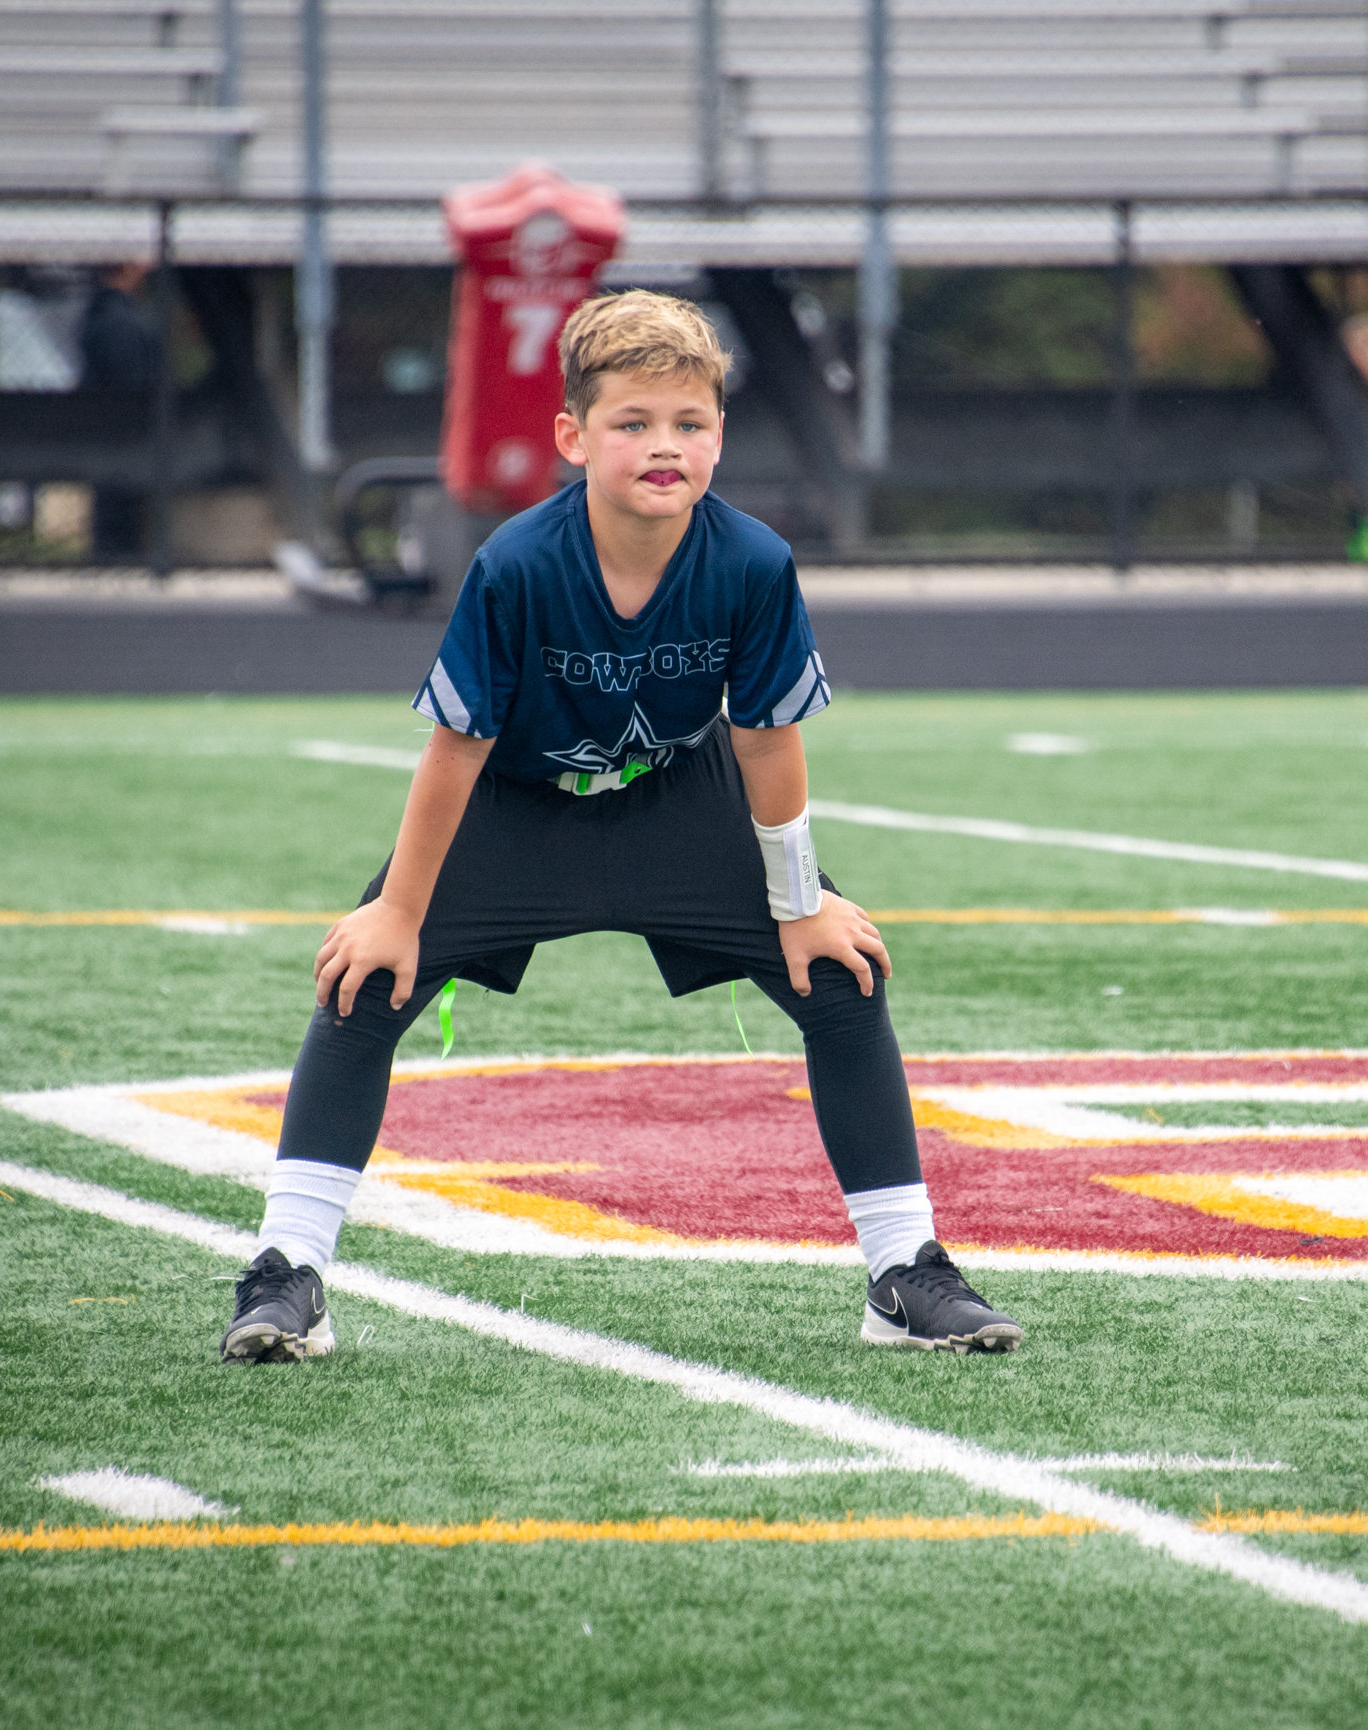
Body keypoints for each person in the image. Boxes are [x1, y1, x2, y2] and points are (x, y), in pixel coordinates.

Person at [220, 291, 1022, 1363]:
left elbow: (769, 740)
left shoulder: (752, 562)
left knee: (842, 973)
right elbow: (455, 748)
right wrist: (399, 911)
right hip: (516, 807)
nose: (664, 446)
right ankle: (287, 1271)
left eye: (689, 424)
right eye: (633, 422)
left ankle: (903, 1267)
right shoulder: (517, 562)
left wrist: (799, 900)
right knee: (365, 978)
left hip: (677, 803)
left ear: (720, 438)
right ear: (572, 437)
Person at [76, 262, 161, 560]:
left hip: (106, 429)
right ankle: (117, 557)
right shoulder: (121, 322)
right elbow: (131, 381)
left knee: (113, 500)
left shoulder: (99, 314)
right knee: (118, 502)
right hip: (121, 429)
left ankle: (115, 556)